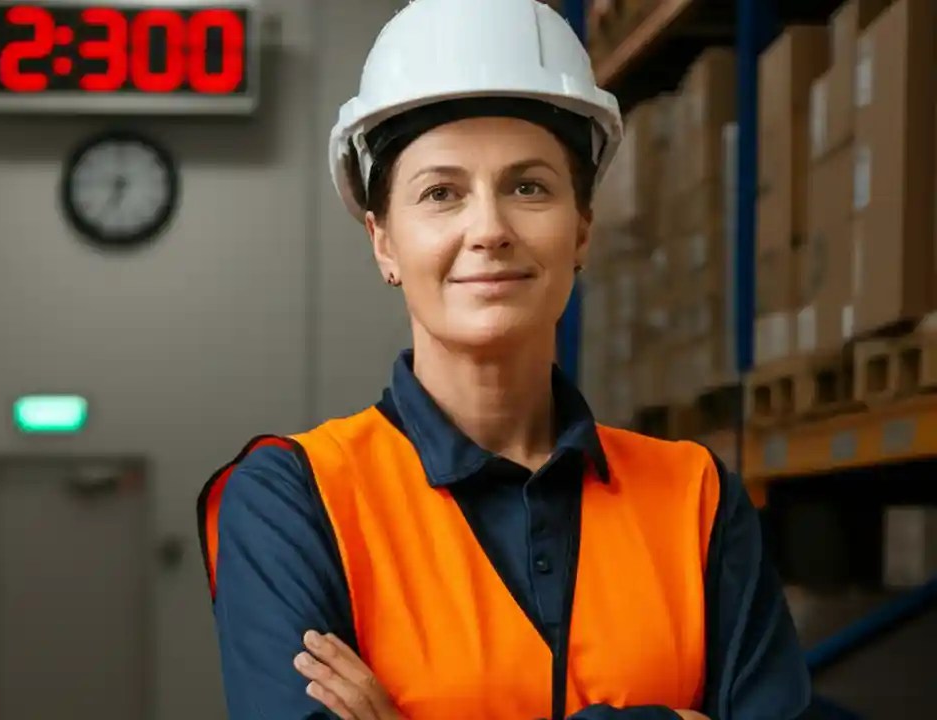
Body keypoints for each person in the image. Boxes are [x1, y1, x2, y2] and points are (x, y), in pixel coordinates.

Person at [195, 0, 811, 718]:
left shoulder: (695, 500)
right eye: (441, 194)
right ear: (384, 242)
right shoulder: (293, 501)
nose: (488, 229)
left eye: (529, 187)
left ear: (581, 229)